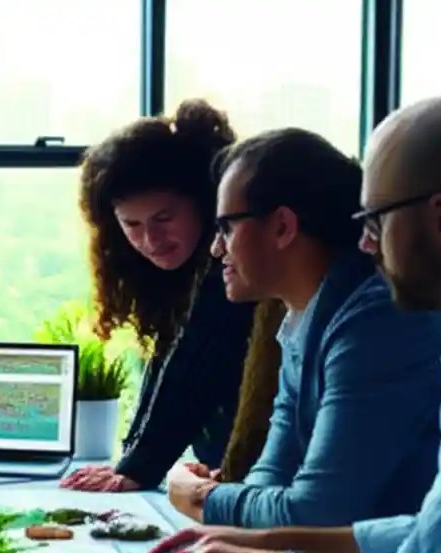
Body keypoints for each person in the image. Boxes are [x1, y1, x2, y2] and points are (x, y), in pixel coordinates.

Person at [147, 95, 441, 553]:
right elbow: (434, 530)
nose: (365, 245)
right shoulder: (316, 321)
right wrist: (246, 535)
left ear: (440, 218)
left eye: (376, 220)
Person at [164, 127, 441, 528]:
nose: (216, 248)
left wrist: (197, 495)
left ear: (282, 226)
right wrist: (232, 507)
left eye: (226, 227)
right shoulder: (304, 319)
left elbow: (315, 512)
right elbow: (272, 476)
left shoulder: (375, 324)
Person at [61, 99, 284, 493]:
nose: (151, 240)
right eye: (132, 224)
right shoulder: (170, 277)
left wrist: (137, 466)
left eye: (164, 218)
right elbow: (169, 355)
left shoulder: (234, 260)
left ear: (204, 201)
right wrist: (130, 459)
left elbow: (196, 360)